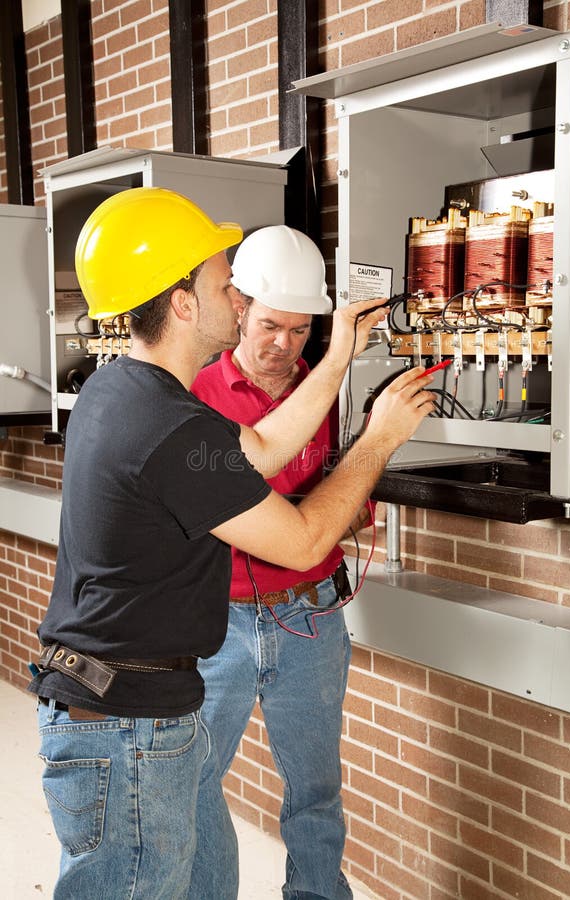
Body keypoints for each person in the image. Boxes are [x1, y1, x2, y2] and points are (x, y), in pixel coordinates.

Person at [28, 187, 434, 900]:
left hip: (150, 715)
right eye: (225, 282)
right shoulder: (170, 430)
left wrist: (337, 358)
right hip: (126, 731)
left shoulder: (120, 392)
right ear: (183, 302)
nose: (238, 300)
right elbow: (305, 539)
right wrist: (380, 438)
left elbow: (262, 449)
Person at [191, 225, 362, 900]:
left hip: (312, 620)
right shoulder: (196, 397)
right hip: (218, 626)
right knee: (196, 782)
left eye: (298, 331)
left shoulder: (327, 393)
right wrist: (290, 515)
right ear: (238, 308)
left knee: (316, 791)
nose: (283, 346)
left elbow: (348, 502)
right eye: (270, 326)